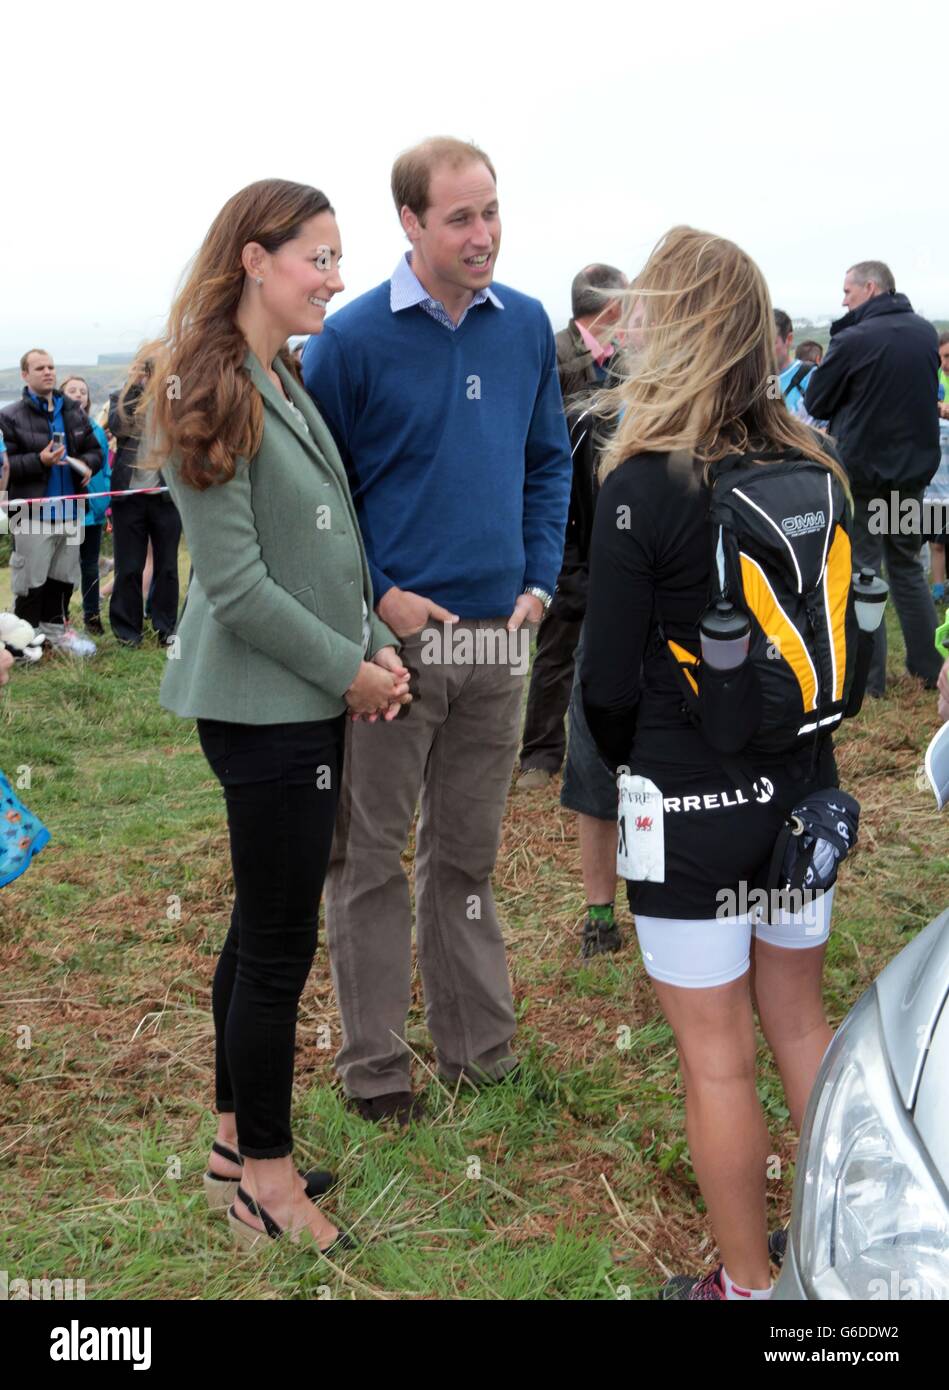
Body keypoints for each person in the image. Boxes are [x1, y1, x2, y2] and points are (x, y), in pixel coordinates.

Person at [581, 225, 855, 1300]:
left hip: (687, 805)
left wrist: (632, 769)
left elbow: (603, 683)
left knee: (715, 1056)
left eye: (646, 305)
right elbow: (852, 643)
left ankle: (746, 1285)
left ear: (680, 324)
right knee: (802, 1023)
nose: (630, 321)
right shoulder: (813, 460)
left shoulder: (642, 479)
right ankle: (861, 1254)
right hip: (806, 795)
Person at [145, 177, 411, 1253]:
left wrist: (377, 644)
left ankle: (228, 1147)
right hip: (265, 709)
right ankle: (266, 1178)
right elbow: (241, 585)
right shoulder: (206, 386)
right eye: (320, 256)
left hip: (305, 692)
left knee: (258, 926)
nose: (336, 279)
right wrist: (351, 669)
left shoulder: (279, 376)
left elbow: (329, 543)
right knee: (278, 947)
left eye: (341, 258)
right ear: (254, 258)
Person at [303, 136, 571, 1123]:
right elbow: (312, 497)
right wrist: (378, 600)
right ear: (409, 223)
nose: (483, 234)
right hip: (394, 650)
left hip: (498, 640)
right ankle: (374, 1070)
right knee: (370, 856)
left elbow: (548, 463)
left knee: (466, 855)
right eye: (459, 216)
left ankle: (479, 1051)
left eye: (491, 210)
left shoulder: (525, 327)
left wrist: (538, 581)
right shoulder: (352, 340)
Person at [805, 261, 942, 694]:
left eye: (847, 292)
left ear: (870, 288)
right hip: (910, 474)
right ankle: (927, 667)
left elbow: (818, 400)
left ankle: (868, 679)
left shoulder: (853, 338)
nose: (842, 300)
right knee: (904, 565)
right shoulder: (924, 333)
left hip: (864, 475)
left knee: (863, 570)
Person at [518, 263, 627, 792]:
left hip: (617, 520)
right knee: (558, 640)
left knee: (614, 640)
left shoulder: (629, 365)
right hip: (562, 523)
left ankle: (608, 747)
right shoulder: (554, 356)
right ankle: (540, 754)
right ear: (612, 308)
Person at [0, 350, 101, 656]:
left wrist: (85, 465)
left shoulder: (73, 410)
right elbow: (6, 467)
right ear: (24, 374)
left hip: (71, 511)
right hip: (31, 512)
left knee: (64, 577)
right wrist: (40, 460)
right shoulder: (10, 415)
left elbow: (95, 450)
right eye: (39, 367)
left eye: (51, 367)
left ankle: (56, 635)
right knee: (30, 581)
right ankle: (22, 643)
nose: (47, 372)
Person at [108, 359, 183, 647]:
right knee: (128, 566)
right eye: (142, 370)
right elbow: (118, 428)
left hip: (165, 497)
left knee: (167, 567)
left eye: (151, 370)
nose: (147, 376)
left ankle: (166, 628)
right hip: (129, 498)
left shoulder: (174, 399)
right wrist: (133, 388)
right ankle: (128, 633)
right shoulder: (121, 398)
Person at [60, 376, 112, 635]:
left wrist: (105, 498)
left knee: (89, 565)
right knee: (65, 567)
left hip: (94, 510)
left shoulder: (96, 428)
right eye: (72, 390)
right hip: (67, 511)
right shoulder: (55, 428)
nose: (79, 394)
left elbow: (105, 469)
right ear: (61, 396)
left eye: (83, 391)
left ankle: (92, 619)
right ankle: (61, 619)